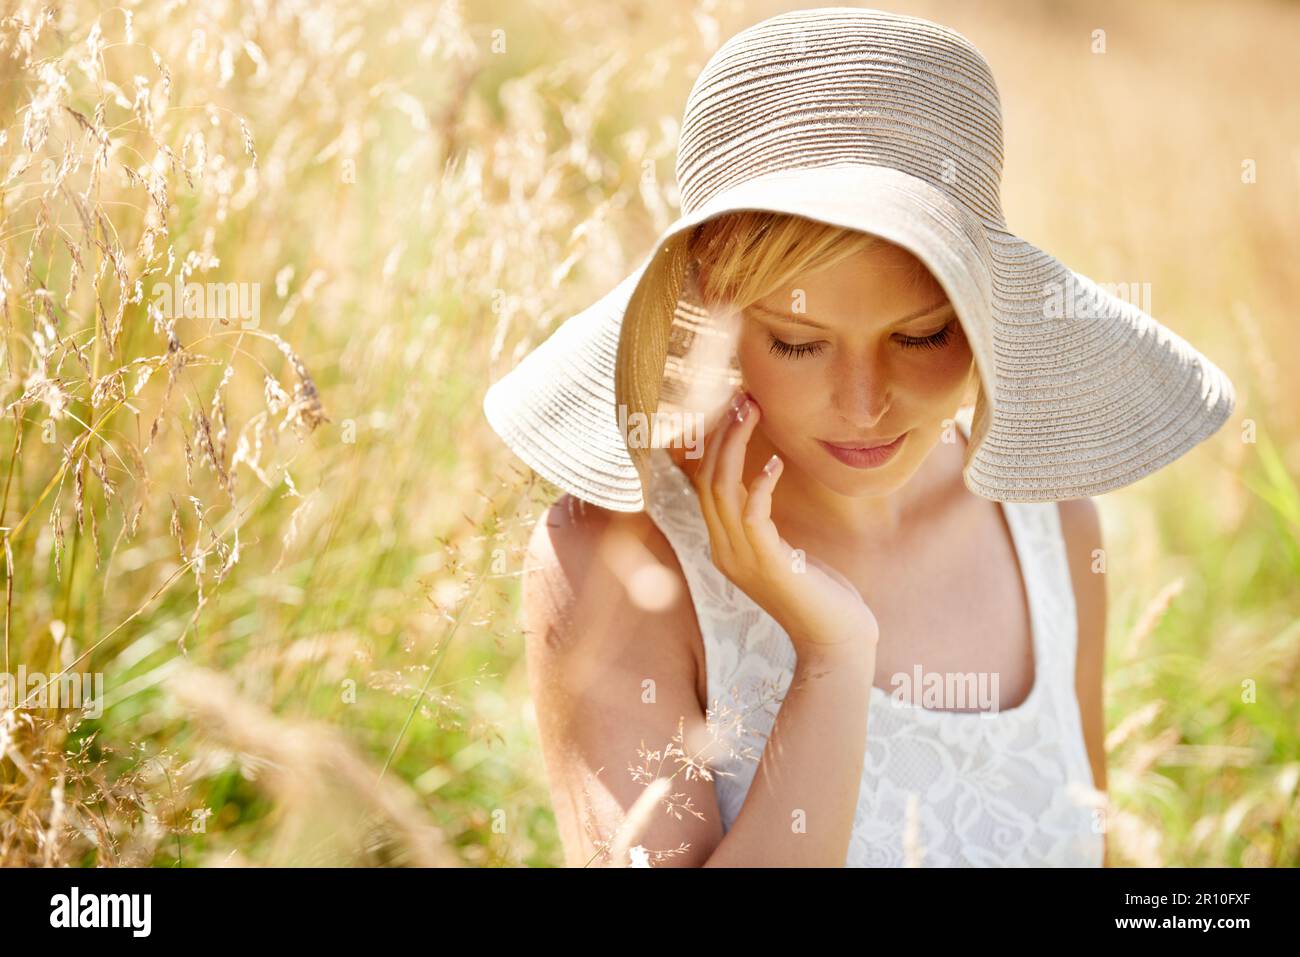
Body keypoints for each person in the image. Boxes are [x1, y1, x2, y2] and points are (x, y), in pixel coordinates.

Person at [483, 8, 1235, 866]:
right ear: (716, 320)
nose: (866, 403)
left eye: (921, 337)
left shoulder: (1052, 525)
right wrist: (833, 659)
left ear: (987, 312)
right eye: (798, 343)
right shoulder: (617, 561)